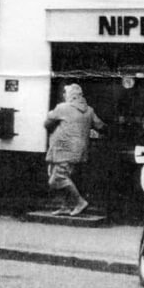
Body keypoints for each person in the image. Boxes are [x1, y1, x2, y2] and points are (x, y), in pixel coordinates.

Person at [44, 83, 105, 216]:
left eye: (65, 94)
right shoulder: (89, 110)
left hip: (63, 149)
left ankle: (80, 202)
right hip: (80, 151)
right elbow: (100, 126)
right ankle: (64, 206)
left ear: (69, 95)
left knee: (56, 179)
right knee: (67, 177)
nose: (64, 96)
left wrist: (50, 114)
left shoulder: (62, 108)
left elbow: (47, 124)